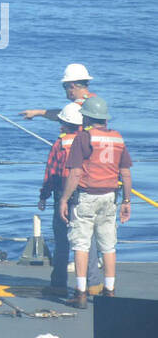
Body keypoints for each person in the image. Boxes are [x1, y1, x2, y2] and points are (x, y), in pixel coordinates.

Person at [59, 96, 133, 305]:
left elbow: (75, 173)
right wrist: (126, 201)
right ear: (105, 119)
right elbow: (125, 174)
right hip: (110, 198)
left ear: (87, 119)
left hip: (86, 197)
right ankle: (109, 290)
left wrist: (64, 199)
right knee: (108, 246)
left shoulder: (83, 138)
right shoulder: (118, 138)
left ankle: (80, 292)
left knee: (81, 244)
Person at [38, 104, 101, 296]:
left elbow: (53, 172)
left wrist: (44, 195)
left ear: (65, 124)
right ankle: (94, 285)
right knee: (87, 241)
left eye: (62, 123)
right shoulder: (90, 140)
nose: (60, 126)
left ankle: (58, 284)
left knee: (62, 242)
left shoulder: (61, 143)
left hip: (64, 196)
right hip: (88, 195)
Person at [20, 63, 96, 122]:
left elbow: (64, 116)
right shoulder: (95, 101)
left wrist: (37, 113)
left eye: (64, 86)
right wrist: (36, 112)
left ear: (72, 86)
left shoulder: (80, 106)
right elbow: (63, 114)